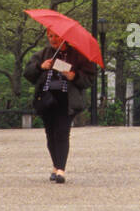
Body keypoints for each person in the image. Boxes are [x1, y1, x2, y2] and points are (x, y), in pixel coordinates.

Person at [23, 30, 96, 183]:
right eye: (50, 36)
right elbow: (28, 73)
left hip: (66, 100)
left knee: (62, 132)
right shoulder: (43, 54)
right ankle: (56, 166)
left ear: (64, 38)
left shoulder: (78, 55)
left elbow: (89, 79)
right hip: (46, 98)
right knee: (50, 134)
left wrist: (74, 76)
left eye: (56, 36)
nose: (53, 39)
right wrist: (40, 67)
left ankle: (61, 170)